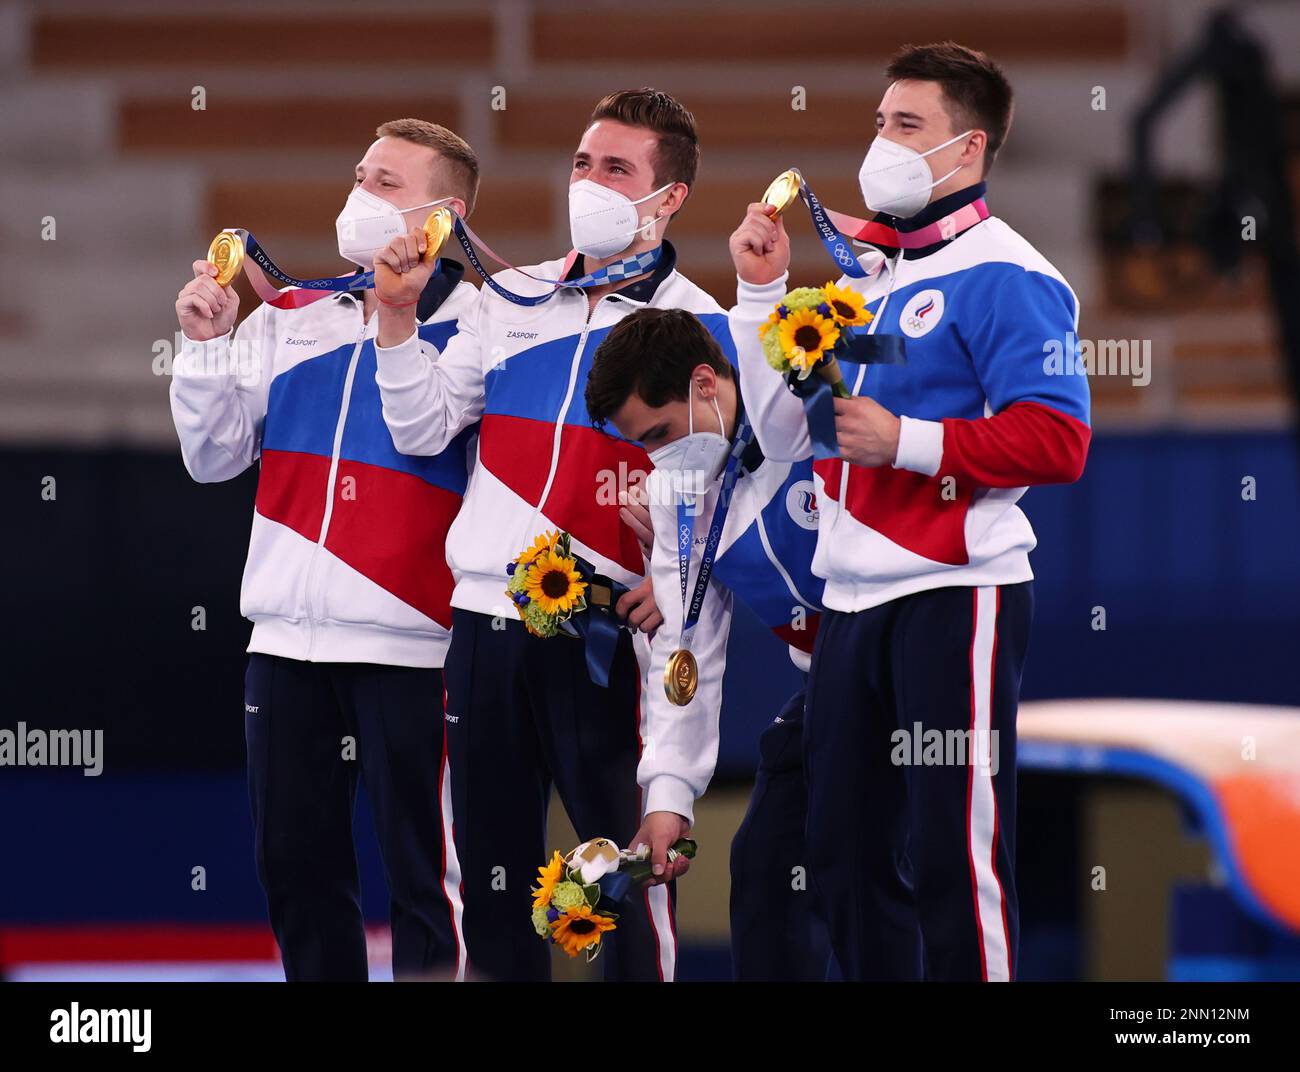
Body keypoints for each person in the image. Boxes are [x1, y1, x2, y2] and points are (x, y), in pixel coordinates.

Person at [728, 42, 1091, 981]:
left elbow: (1058, 442)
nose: (879, 141)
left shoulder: (1010, 275)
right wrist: (762, 292)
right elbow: (785, 434)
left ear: (965, 151)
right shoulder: (863, 283)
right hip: (850, 603)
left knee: (950, 856)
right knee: (843, 859)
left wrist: (910, 442)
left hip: (956, 595)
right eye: (879, 121)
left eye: (905, 125)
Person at [371, 89, 733, 981]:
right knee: (487, 887)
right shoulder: (510, 296)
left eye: (617, 168)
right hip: (486, 630)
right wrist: (395, 319)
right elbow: (422, 429)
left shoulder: (712, 329)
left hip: (607, 636)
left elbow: (728, 507)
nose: (590, 181)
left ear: (669, 196)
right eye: (582, 162)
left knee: (629, 884)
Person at [170, 119, 481, 981]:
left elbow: (429, 438)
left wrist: (401, 314)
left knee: (428, 886)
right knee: (296, 875)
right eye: (359, 174)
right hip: (283, 645)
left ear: (442, 214)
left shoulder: (483, 323)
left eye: (386, 183)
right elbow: (212, 458)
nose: (360, 193)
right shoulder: (295, 314)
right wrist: (202, 350)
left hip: (413, 646)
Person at [584, 307, 830, 981]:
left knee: (872, 883)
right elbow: (684, 650)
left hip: (904, 669)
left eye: (662, 433)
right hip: (825, 688)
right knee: (765, 873)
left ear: (703, 382)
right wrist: (669, 798)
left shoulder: (810, 411)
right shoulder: (679, 491)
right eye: (643, 446)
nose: (658, 458)